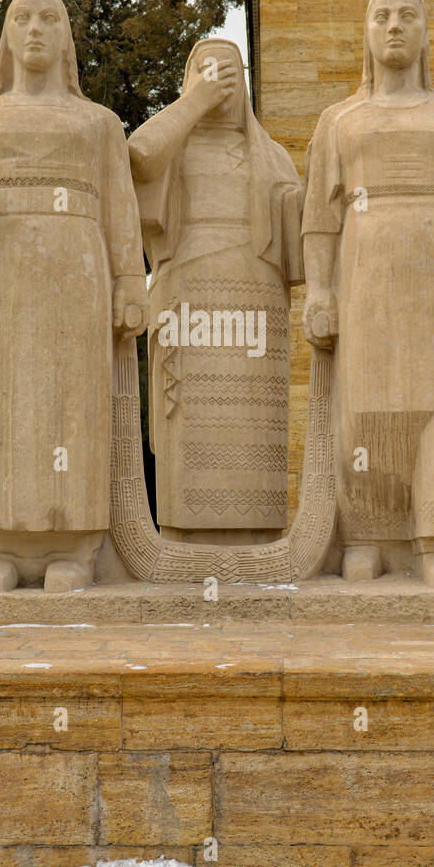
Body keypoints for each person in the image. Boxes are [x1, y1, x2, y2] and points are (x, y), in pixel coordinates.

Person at [0, 0, 148, 591]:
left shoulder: (99, 123)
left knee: (70, 399)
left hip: (76, 272)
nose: (35, 28)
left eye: (50, 19)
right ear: (6, 37)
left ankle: (73, 544)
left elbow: (121, 210)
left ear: (67, 38)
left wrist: (129, 281)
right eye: (21, 18)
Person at [301, 0, 434, 588]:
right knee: (368, 399)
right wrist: (319, 289)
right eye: (381, 16)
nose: (394, 26)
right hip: (365, 267)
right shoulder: (339, 121)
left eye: (407, 16)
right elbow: (320, 214)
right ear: (366, 34)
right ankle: (370, 535)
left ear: (425, 32)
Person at [128, 38, 303, 543]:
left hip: (255, 300)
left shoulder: (270, 156)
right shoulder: (173, 149)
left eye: (229, 69)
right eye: (205, 69)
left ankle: (259, 535)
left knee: (250, 418)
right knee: (190, 419)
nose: (219, 77)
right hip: (187, 295)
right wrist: (195, 103)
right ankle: (184, 534)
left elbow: (301, 227)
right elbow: (136, 157)